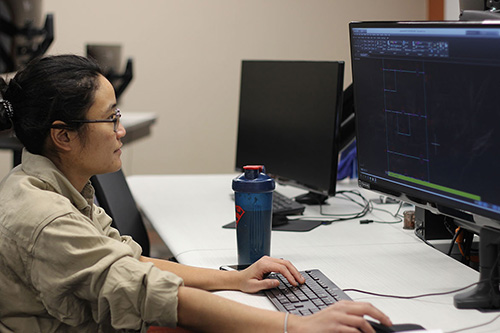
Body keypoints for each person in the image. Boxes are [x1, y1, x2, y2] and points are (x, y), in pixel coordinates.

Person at [0, 54, 392, 332]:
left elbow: (130, 262)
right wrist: (296, 325)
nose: (121, 131)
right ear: (63, 135)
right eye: (111, 117)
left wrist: (236, 280)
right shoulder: (45, 216)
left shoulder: (59, 186)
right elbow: (148, 292)